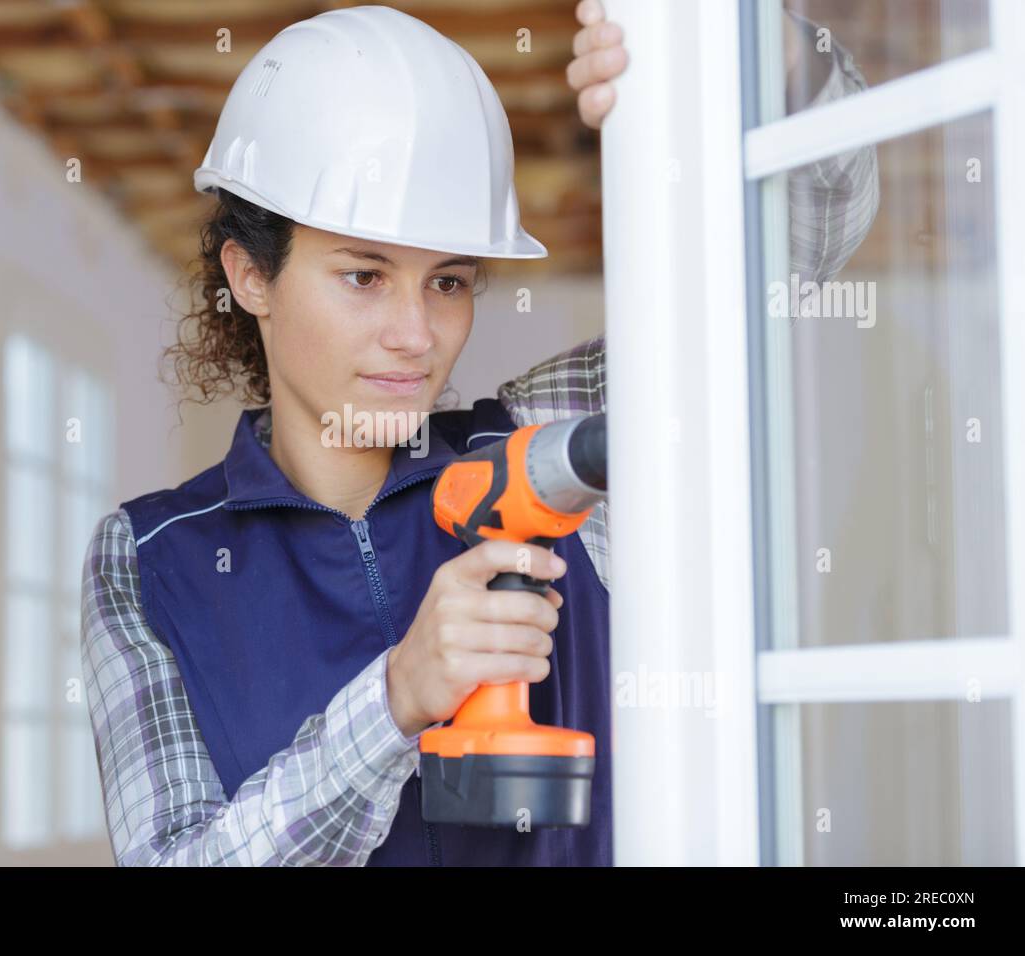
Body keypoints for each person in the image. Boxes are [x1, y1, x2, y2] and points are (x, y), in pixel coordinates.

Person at [81, 1, 877, 866]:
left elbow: (785, 256)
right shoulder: (145, 559)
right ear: (251, 276)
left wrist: (758, 56)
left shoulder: (542, 444)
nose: (417, 335)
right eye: (363, 275)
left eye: (449, 282)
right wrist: (395, 699)